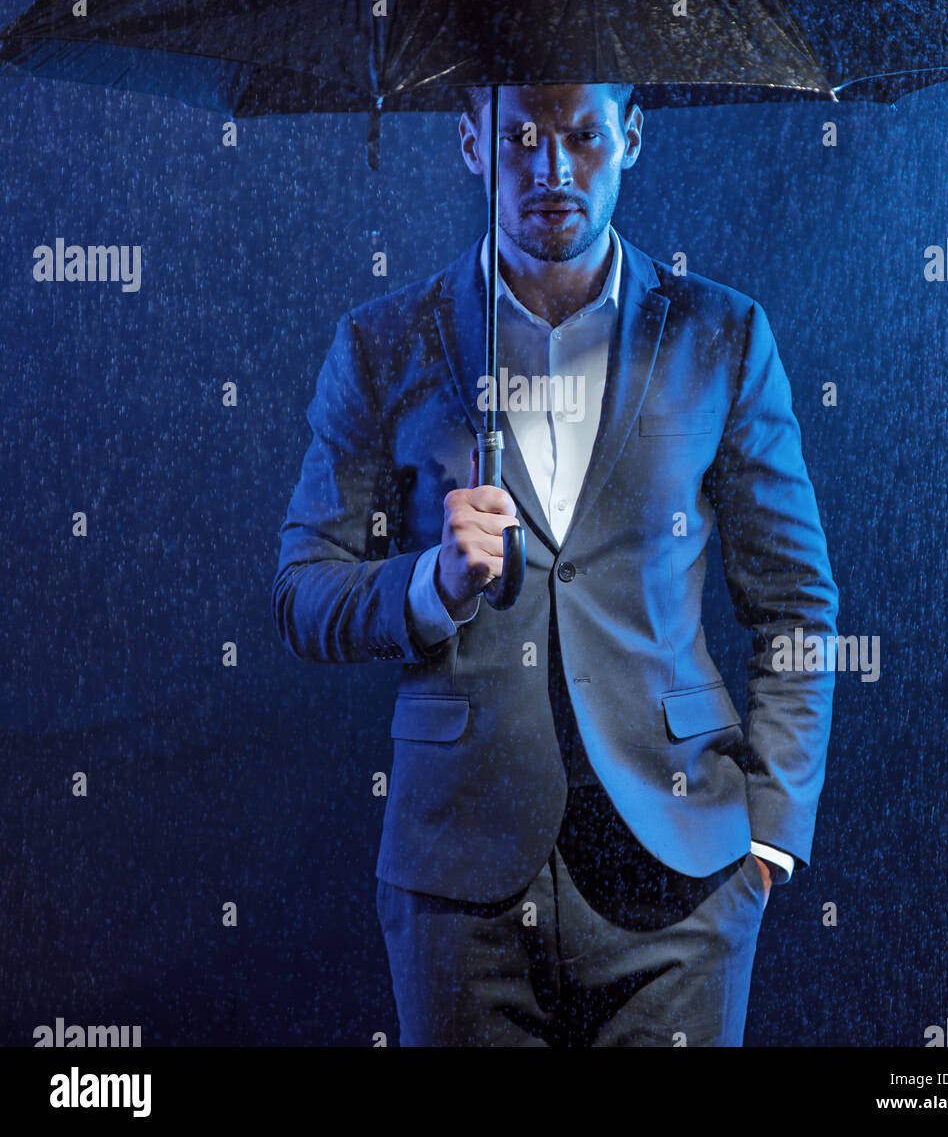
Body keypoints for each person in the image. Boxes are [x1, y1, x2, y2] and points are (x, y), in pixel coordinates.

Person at [272, 82, 839, 1047]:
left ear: (630, 137)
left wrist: (770, 837)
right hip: (458, 883)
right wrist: (426, 583)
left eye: (581, 136)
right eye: (520, 137)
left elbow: (795, 606)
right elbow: (301, 593)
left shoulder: (722, 336)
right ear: (469, 141)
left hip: (685, 876)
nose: (551, 170)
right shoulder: (381, 345)